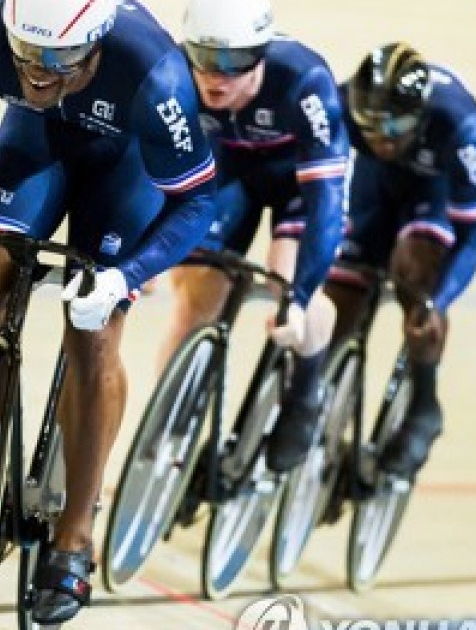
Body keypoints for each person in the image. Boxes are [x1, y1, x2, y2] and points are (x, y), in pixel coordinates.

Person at [0, 0, 219, 623]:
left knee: (91, 335)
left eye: (60, 58)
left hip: (125, 172)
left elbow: (195, 201)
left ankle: (74, 537)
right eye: (28, 54)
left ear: (96, 45)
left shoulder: (154, 71)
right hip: (34, 144)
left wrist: (127, 276)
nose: (39, 74)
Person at [158, 0, 349, 476]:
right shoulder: (174, 71)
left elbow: (326, 202)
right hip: (229, 175)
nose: (217, 77)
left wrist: (301, 296)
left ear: (262, 54)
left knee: (290, 286)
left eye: (235, 62)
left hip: (298, 185)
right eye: (205, 57)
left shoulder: (305, 83)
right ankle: (164, 437)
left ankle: (306, 394)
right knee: (196, 298)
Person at [327, 42, 476, 480]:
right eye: (371, 125)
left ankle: (423, 405)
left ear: (419, 114)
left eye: (396, 125)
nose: (382, 138)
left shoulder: (459, 126)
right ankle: (322, 420)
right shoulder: (341, 105)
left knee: (417, 273)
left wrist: (438, 300)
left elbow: (471, 235)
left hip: (431, 191)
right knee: (337, 304)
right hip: (375, 186)